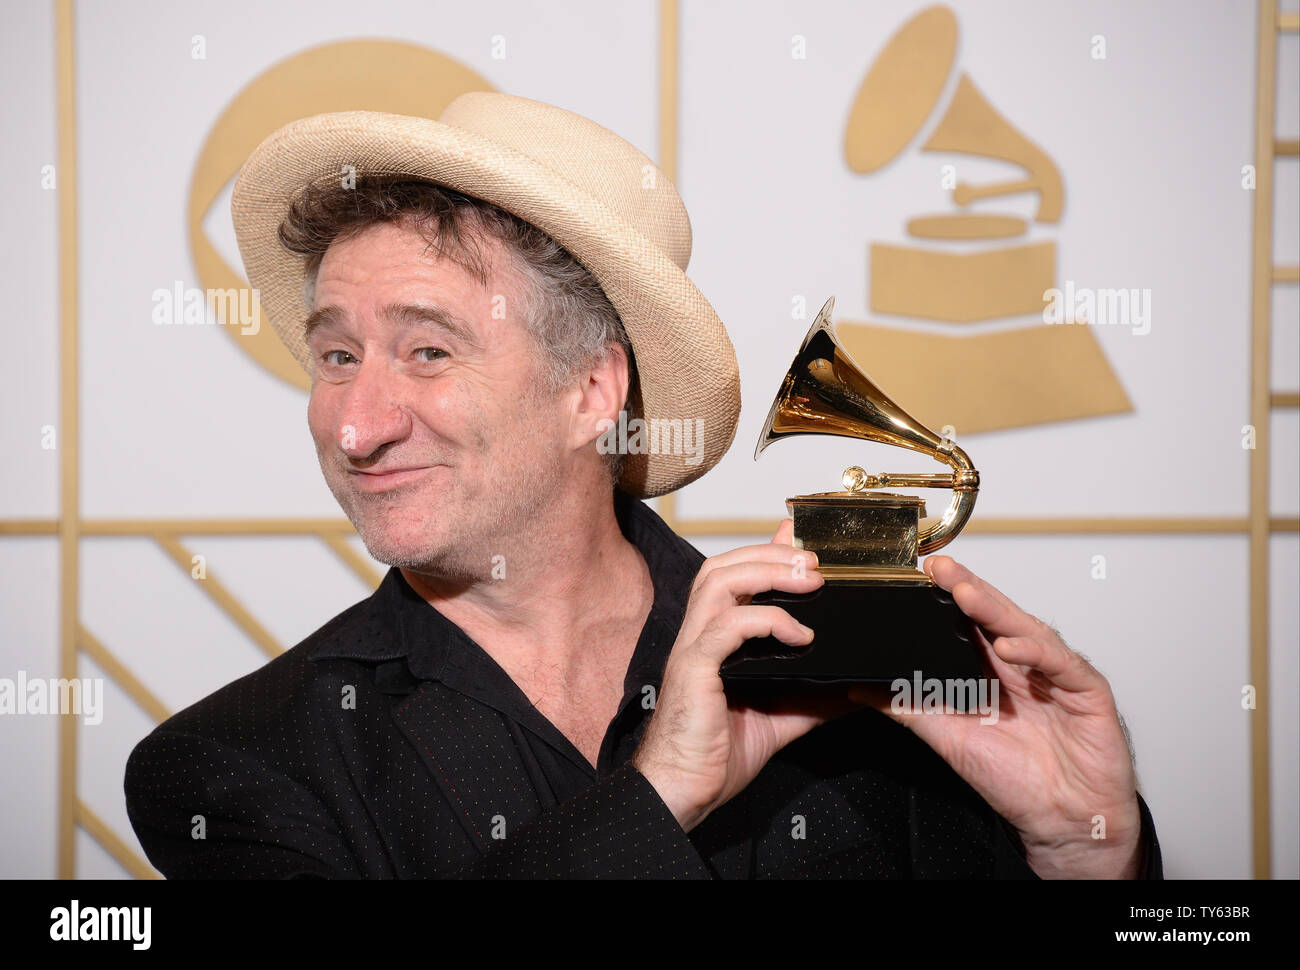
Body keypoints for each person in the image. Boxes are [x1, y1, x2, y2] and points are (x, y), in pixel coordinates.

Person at [124, 93, 1161, 879]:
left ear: (592, 389)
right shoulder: (232, 769)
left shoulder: (870, 691)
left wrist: (1085, 850)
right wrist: (656, 794)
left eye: (427, 351)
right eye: (337, 357)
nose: (353, 425)